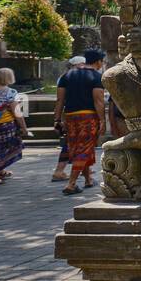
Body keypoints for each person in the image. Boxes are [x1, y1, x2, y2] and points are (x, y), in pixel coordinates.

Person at [53, 48, 106, 195]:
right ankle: (71, 184)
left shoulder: (67, 75)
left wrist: (57, 119)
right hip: (88, 117)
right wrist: (102, 120)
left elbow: (60, 100)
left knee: (78, 147)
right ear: (98, 62)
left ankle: (88, 179)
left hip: (70, 117)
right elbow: (99, 101)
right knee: (83, 149)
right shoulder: (96, 77)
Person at [52, 55, 86, 181]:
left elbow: (60, 100)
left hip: (69, 114)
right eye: (82, 64)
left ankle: (83, 169)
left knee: (75, 143)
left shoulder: (64, 78)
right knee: (74, 143)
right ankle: (59, 171)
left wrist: (58, 118)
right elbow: (60, 100)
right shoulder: (75, 78)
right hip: (78, 115)